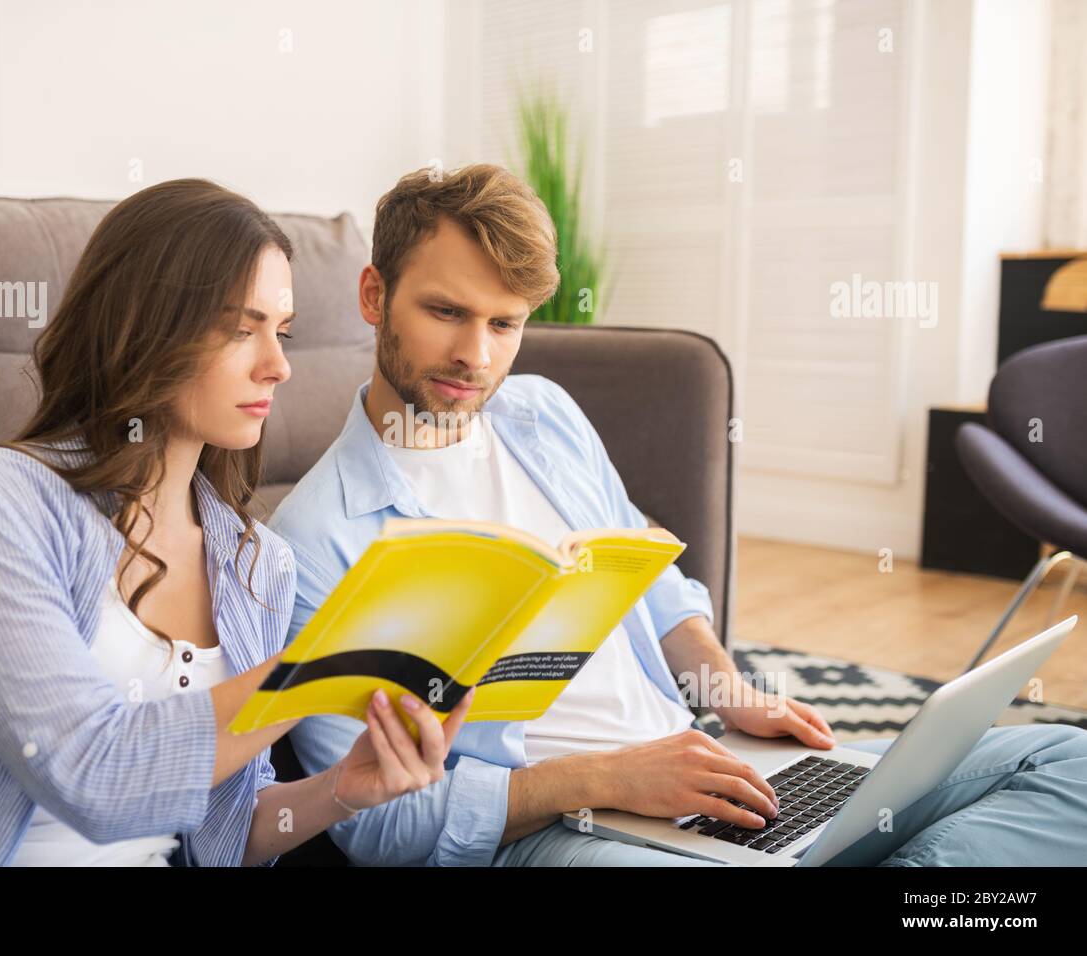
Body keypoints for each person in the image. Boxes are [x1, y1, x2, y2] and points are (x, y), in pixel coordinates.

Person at [269, 163, 1087, 867]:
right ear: (375, 296)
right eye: (446, 312)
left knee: (1067, 759)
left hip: (702, 761)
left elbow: (653, 582)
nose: (476, 357)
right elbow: (377, 824)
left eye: (505, 324)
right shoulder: (316, 541)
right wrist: (608, 780)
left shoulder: (541, 415)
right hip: (560, 826)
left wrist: (727, 692)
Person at [0, 178, 470, 867]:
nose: (279, 366)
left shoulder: (257, 561)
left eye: (282, 331)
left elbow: (227, 838)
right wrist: (323, 667)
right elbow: (93, 774)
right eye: (242, 329)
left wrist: (344, 791)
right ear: (142, 327)